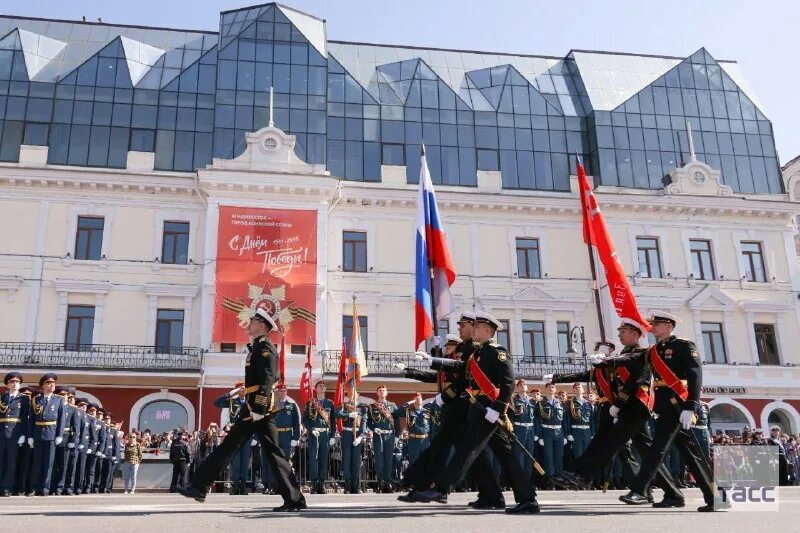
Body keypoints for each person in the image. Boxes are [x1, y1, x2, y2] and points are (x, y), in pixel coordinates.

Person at [407, 312, 540, 514]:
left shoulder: (497, 352)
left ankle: (441, 489)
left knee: (467, 449)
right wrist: (434, 360)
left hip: (489, 408)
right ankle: (527, 498)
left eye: (477, 327)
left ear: (488, 330)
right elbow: (461, 367)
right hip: (479, 407)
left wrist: (498, 408)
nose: (473, 329)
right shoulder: (478, 353)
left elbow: (508, 382)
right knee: (506, 455)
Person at [178, 308, 306, 512]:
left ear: (263, 326)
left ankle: (199, 486)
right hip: (254, 406)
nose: (249, 324)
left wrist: (259, 406)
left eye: (253, 321)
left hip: (258, 408)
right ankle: (294, 498)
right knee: (267, 452)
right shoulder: (257, 347)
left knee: (233, 447)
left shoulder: (265, 348)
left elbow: (267, 379)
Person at [548, 319, 682, 506]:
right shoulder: (623, 354)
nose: (619, 335)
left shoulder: (641, 353)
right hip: (628, 408)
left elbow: (635, 382)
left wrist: (618, 403)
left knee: (610, 442)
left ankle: (583, 476)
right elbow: (591, 374)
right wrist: (559, 378)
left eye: (623, 331)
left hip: (637, 406)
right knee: (648, 454)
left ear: (635, 334)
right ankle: (672, 493)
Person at [619, 311, 726, 512]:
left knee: (656, 448)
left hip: (678, 404)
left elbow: (695, 375)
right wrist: (607, 362)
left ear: (669, 326)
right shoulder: (655, 350)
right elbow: (635, 364)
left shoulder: (683, 346)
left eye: (657, 324)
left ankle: (639, 490)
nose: (653, 328)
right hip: (664, 406)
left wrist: (691, 405)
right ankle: (712, 497)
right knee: (690, 453)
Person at [399, 321, 505, 509]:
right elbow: (437, 376)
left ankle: (430, 486)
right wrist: (414, 369)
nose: (459, 329)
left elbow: (462, 380)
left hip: (464, 408)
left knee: (449, 450)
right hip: (456, 409)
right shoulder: (468, 350)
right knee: (471, 455)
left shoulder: (473, 350)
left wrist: (443, 397)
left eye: (462, 326)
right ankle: (491, 495)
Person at [30, 373, 67, 496]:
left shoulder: (59, 400)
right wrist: (30, 435)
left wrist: (59, 435)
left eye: (53, 383)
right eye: (49, 383)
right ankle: (34, 487)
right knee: (37, 463)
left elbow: (62, 419)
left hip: (51, 434)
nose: (52, 385)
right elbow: (31, 419)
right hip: (38, 433)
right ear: (43, 386)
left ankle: (45, 489)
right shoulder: (36, 399)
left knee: (49, 464)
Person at [214, 381, 251, 495]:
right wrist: (232, 392)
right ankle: (235, 485)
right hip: (235, 433)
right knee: (235, 460)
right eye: (240, 388)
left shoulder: (251, 402)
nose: (242, 390)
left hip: (247, 433)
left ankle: (243, 486)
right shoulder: (231, 402)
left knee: (245, 460)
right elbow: (217, 403)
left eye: (244, 388)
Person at [0, 372, 31, 497]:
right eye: (12, 382)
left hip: (15, 434)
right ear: (7, 384)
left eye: (17, 382)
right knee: (1, 461)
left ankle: (6, 487)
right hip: (1, 433)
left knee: (11, 462)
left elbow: (25, 418)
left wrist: (23, 434)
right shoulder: (2, 397)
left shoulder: (23, 399)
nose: (14, 384)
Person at [265, 384, 300, 492]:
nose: (282, 393)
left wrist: (295, 437)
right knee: (274, 461)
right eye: (280, 391)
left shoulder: (292, 405)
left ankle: (285, 486)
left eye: (284, 391)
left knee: (285, 462)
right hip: (274, 435)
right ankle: (273, 485)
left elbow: (296, 423)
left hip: (287, 436)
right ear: (276, 392)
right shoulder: (270, 406)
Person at [368, 384, 401, 493]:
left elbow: (397, 421)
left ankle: (388, 484)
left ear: (386, 393)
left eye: (384, 390)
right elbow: (368, 421)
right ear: (377, 393)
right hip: (378, 435)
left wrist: (397, 436)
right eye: (380, 390)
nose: (382, 392)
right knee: (379, 460)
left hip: (390, 435)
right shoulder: (372, 406)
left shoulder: (393, 405)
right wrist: (373, 428)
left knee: (389, 460)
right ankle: (380, 484)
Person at [303, 380, 334, 494]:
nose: (322, 387)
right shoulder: (310, 403)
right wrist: (311, 429)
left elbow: (333, 420)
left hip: (325, 434)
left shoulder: (330, 403)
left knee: (323, 459)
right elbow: (305, 419)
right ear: (315, 389)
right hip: (314, 434)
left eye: (323, 386)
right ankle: (314, 484)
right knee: (313, 459)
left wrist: (332, 435)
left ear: (325, 389)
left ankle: (322, 483)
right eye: (319, 386)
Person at [335, 392, 366, 494]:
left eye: (355, 393)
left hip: (357, 434)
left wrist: (360, 437)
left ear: (357, 395)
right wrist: (349, 414)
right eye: (350, 394)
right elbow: (336, 414)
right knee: (346, 459)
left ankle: (356, 486)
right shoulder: (344, 406)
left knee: (356, 461)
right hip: (347, 434)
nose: (352, 395)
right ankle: (347, 486)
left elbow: (364, 423)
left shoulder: (362, 408)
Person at [536, 382, 566, 481]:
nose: (551, 389)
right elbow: (537, 420)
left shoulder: (560, 402)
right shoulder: (541, 403)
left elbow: (565, 421)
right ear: (545, 390)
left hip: (559, 431)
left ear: (555, 390)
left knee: (559, 456)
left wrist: (565, 435)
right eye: (548, 387)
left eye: (553, 387)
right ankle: (550, 480)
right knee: (548, 457)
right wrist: (540, 436)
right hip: (546, 431)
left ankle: (559, 478)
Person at [509, 379, 537, 479]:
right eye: (520, 385)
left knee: (529, 455)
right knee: (519, 455)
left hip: (530, 429)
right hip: (519, 428)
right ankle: (520, 479)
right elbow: (511, 417)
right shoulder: (513, 400)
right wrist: (511, 431)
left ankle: (528, 479)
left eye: (525, 384)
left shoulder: (533, 401)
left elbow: (536, 419)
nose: (523, 386)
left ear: (527, 387)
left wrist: (536, 433)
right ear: (517, 387)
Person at [565, 382, 594, 461]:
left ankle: (586, 472)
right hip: (576, 431)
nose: (578, 389)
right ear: (573, 390)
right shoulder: (570, 403)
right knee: (578, 453)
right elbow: (568, 419)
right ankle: (578, 472)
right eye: (576, 388)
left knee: (587, 453)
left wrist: (592, 433)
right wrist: (569, 433)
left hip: (587, 431)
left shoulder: (588, 404)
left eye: (579, 387)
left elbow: (592, 420)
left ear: (583, 390)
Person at [402, 393, 431, 466]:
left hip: (425, 441)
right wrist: (409, 402)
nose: (418, 399)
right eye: (416, 398)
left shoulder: (428, 412)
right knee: (414, 462)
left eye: (420, 398)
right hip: (413, 441)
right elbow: (398, 411)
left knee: (426, 462)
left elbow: (432, 426)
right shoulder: (408, 411)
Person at [71, 398, 90, 495]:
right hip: (75, 442)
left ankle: (79, 487)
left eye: (85, 406)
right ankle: (72, 486)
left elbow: (90, 433)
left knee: (81, 468)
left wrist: (87, 445)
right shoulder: (75, 413)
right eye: (82, 405)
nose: (84, 407)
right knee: (73, 466)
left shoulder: (89, 417)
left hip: (84, 444)